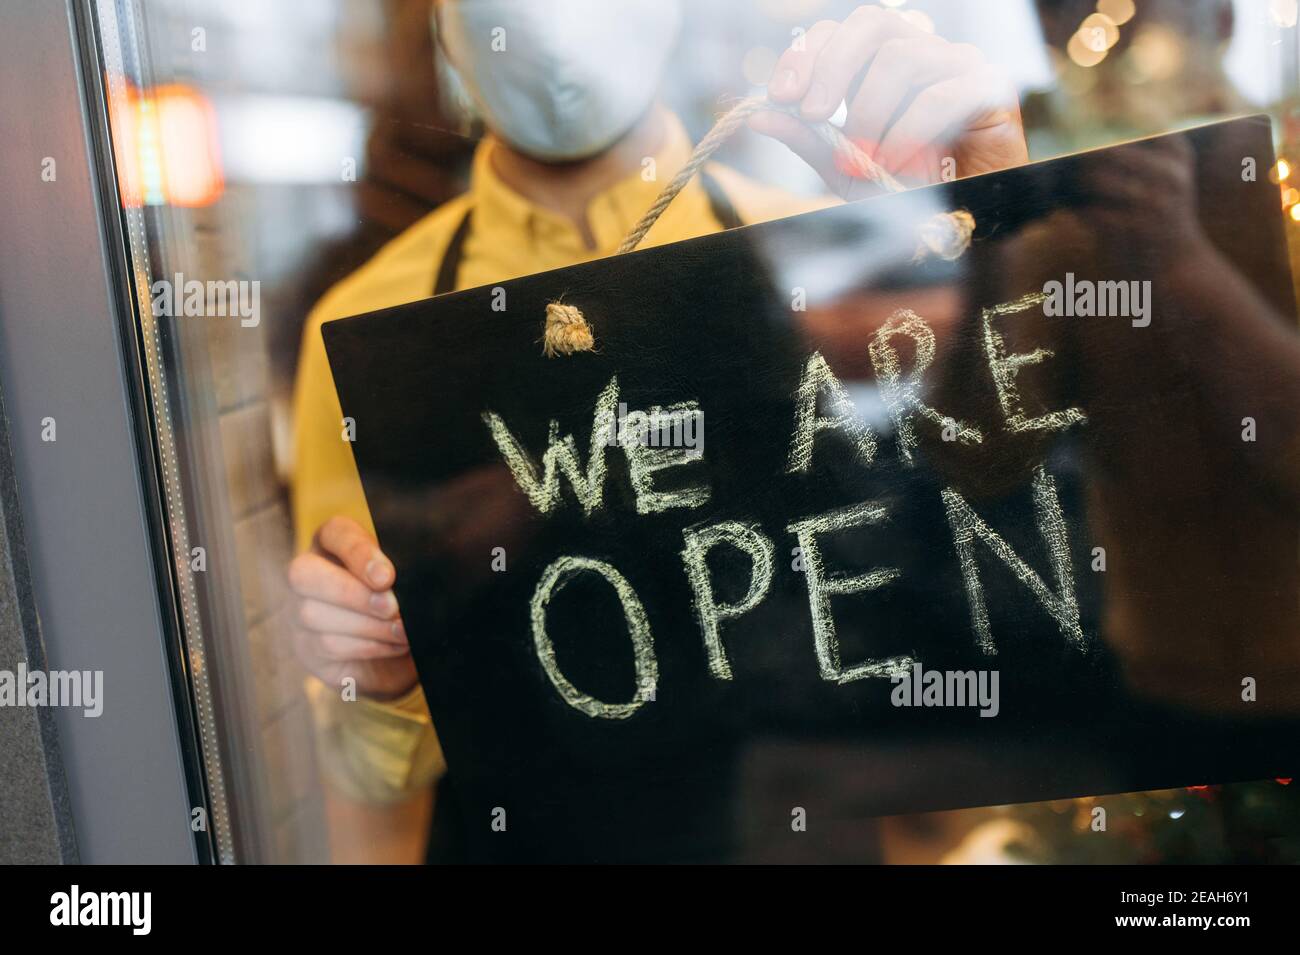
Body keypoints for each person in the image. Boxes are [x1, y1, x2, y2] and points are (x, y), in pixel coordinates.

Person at [288, 0, 1029, 844]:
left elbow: (988, 542)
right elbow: (372, 764)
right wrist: (377, 674)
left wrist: (998, 216)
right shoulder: (369, 326)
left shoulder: (826, 252)